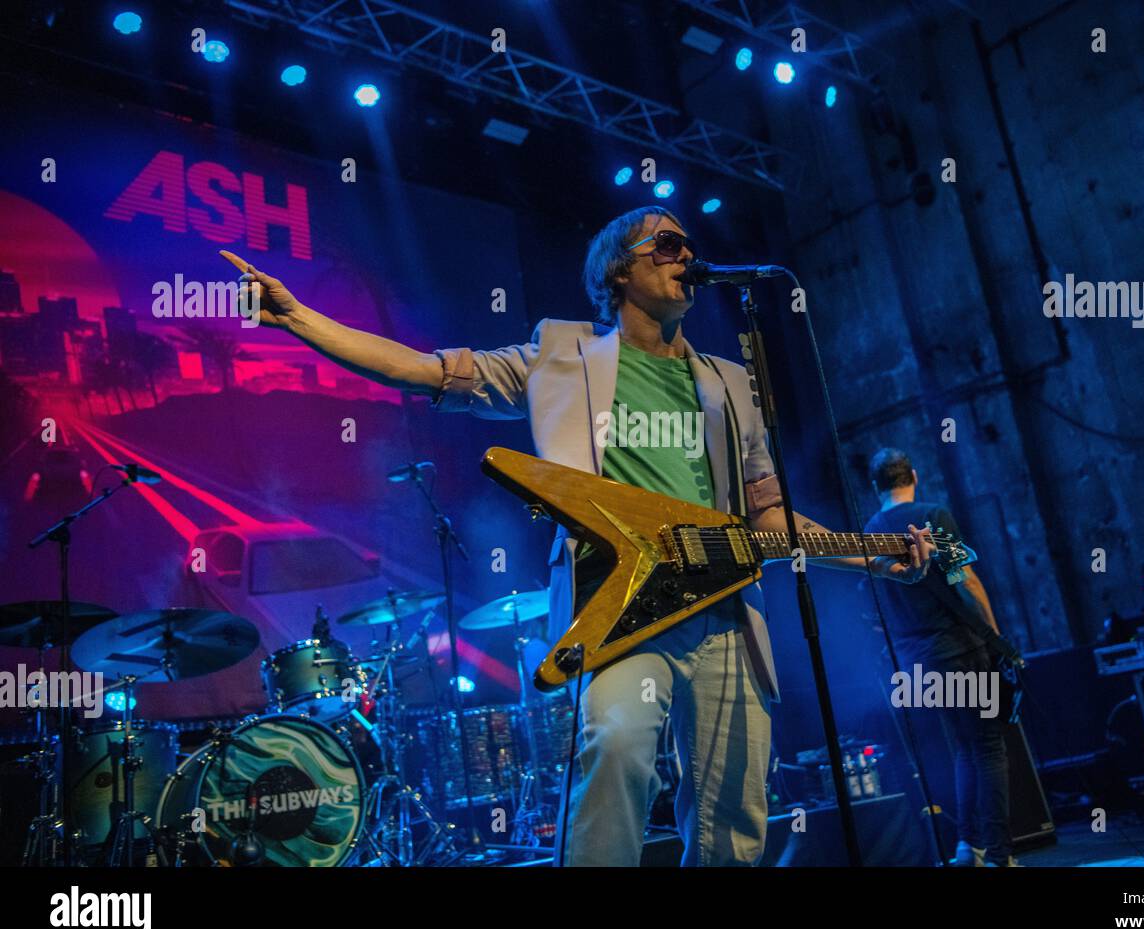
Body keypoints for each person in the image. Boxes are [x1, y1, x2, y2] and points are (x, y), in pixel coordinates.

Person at [218, 205, 934, 866]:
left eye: (691, 245)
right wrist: (300, 320)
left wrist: (872, 555)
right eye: (668, 244)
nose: (688, 255)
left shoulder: (728, 382)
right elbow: (425, 370)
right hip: (621, 611)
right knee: (617, 748)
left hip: (723, 617)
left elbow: (768, 520)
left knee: (734, 809)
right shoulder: (560, 359)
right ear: (618, 270)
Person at [861, 447, 1017, 867]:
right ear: (914, 474)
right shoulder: (932, 515)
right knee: (988, 748)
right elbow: (963, 578)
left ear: (875, 486)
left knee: (964, 749)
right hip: (960, 648)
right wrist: (997, 638)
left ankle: (969, 847)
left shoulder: (870, 530)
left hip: (918, 661)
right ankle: (1001, 855)